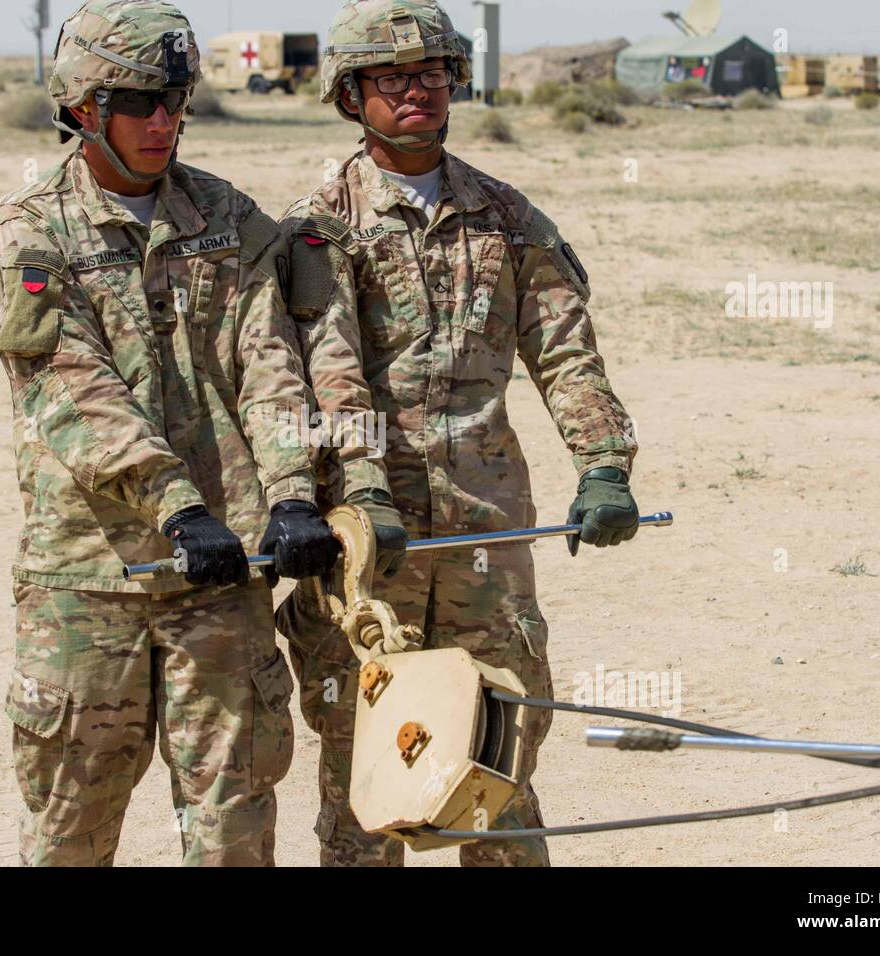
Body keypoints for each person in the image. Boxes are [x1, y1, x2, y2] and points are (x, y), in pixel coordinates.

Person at [0, 0, 340, 866]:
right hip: (90, 581)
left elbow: (270, 362)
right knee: (72, 829)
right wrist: (179, 507)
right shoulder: (26, 230)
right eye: (140, 102)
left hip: (224, 581)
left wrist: (289, 497)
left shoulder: (228, 215)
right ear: (83, 108)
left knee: (234, 822)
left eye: (176, 98)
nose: (165, 120)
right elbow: (71, 388)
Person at [276, 0, 642, 866]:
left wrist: (604, 465)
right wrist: (364, 490)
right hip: (369, 550)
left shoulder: (506, 216)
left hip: (488, 534)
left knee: (500, 762)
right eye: (393, 79)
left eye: (433, 76)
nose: (417, 94)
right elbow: (326, 378)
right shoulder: (318, 226)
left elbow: (564, 349)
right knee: (365, 776)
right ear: (350, 94)